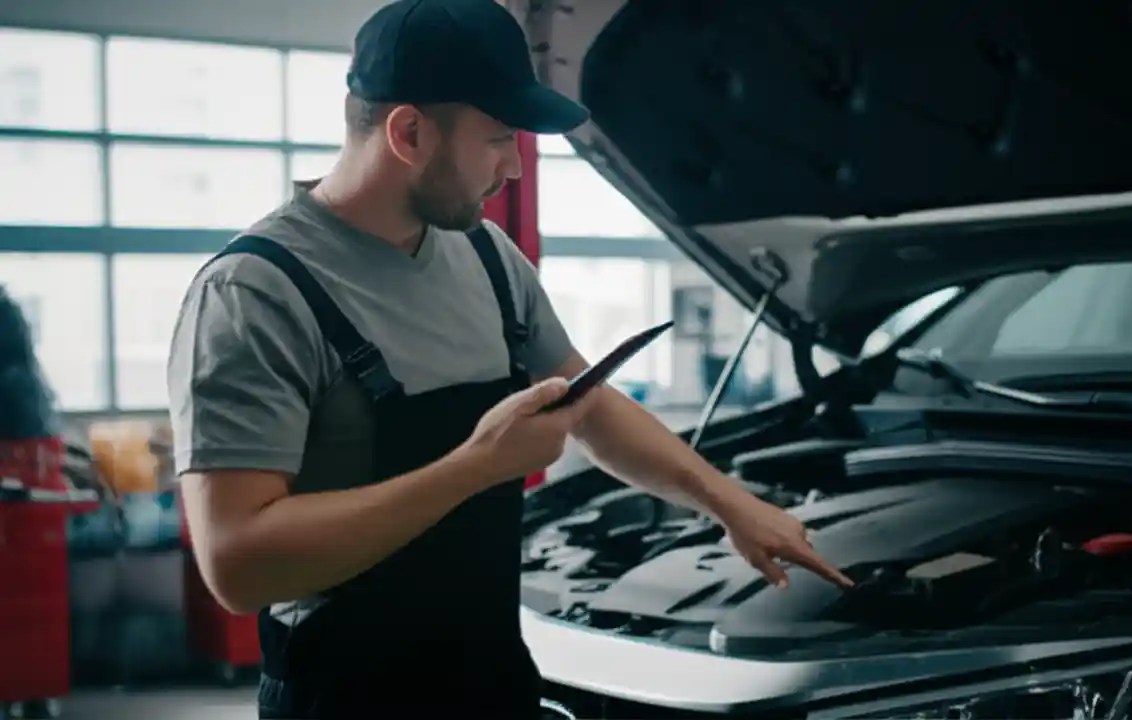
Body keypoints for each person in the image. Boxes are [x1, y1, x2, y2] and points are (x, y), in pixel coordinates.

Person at [167, 0, 852, 717]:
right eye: (498, 140)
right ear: (408, 132)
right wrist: (475, 466)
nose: (512, 171)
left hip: (491, 681)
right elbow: (238, 565)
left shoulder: (489, 257)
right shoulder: (255, 295)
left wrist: (731, 504)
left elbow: (588, 403)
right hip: (346, 698)